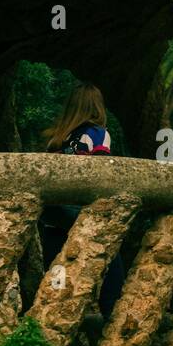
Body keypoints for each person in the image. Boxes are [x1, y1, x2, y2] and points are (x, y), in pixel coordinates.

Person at [39, 82, 124, 322]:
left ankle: (50, 319)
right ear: (97, 107)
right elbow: (101, 173)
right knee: (109, 255)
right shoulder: (97, 133)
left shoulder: (56, 139)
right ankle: (113, 316)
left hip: (53, 217)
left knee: (58, 268)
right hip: (78, 212)